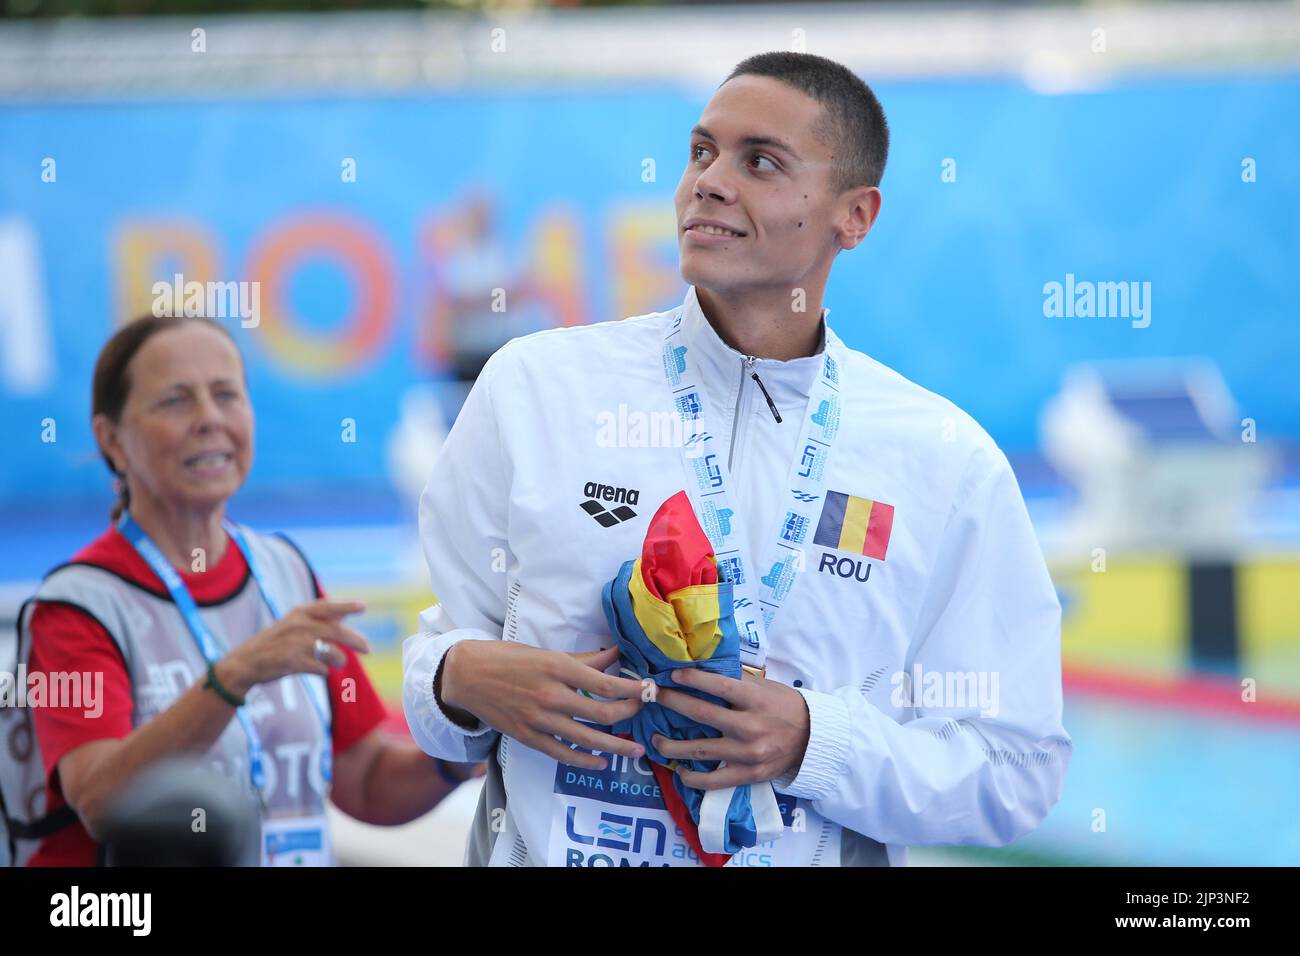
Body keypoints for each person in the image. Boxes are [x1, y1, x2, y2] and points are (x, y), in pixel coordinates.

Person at [402, 51, 1072, 867]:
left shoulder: (941, 461)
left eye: (760, 161)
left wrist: (814, 743)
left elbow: (1018, 771)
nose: (708, 182)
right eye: (701, 152)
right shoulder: (536, 389)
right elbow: (442, 678)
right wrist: (453, 679)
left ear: (854, 215)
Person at [3, 314, 478, 866]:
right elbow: (102, 801)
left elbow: (367, 781)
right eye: (176, 401)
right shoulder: (75, 607)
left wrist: (466, 739)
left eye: (226, 395)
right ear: (112, 440)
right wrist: (233, 676)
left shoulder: (286, 572)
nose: (209, 419)